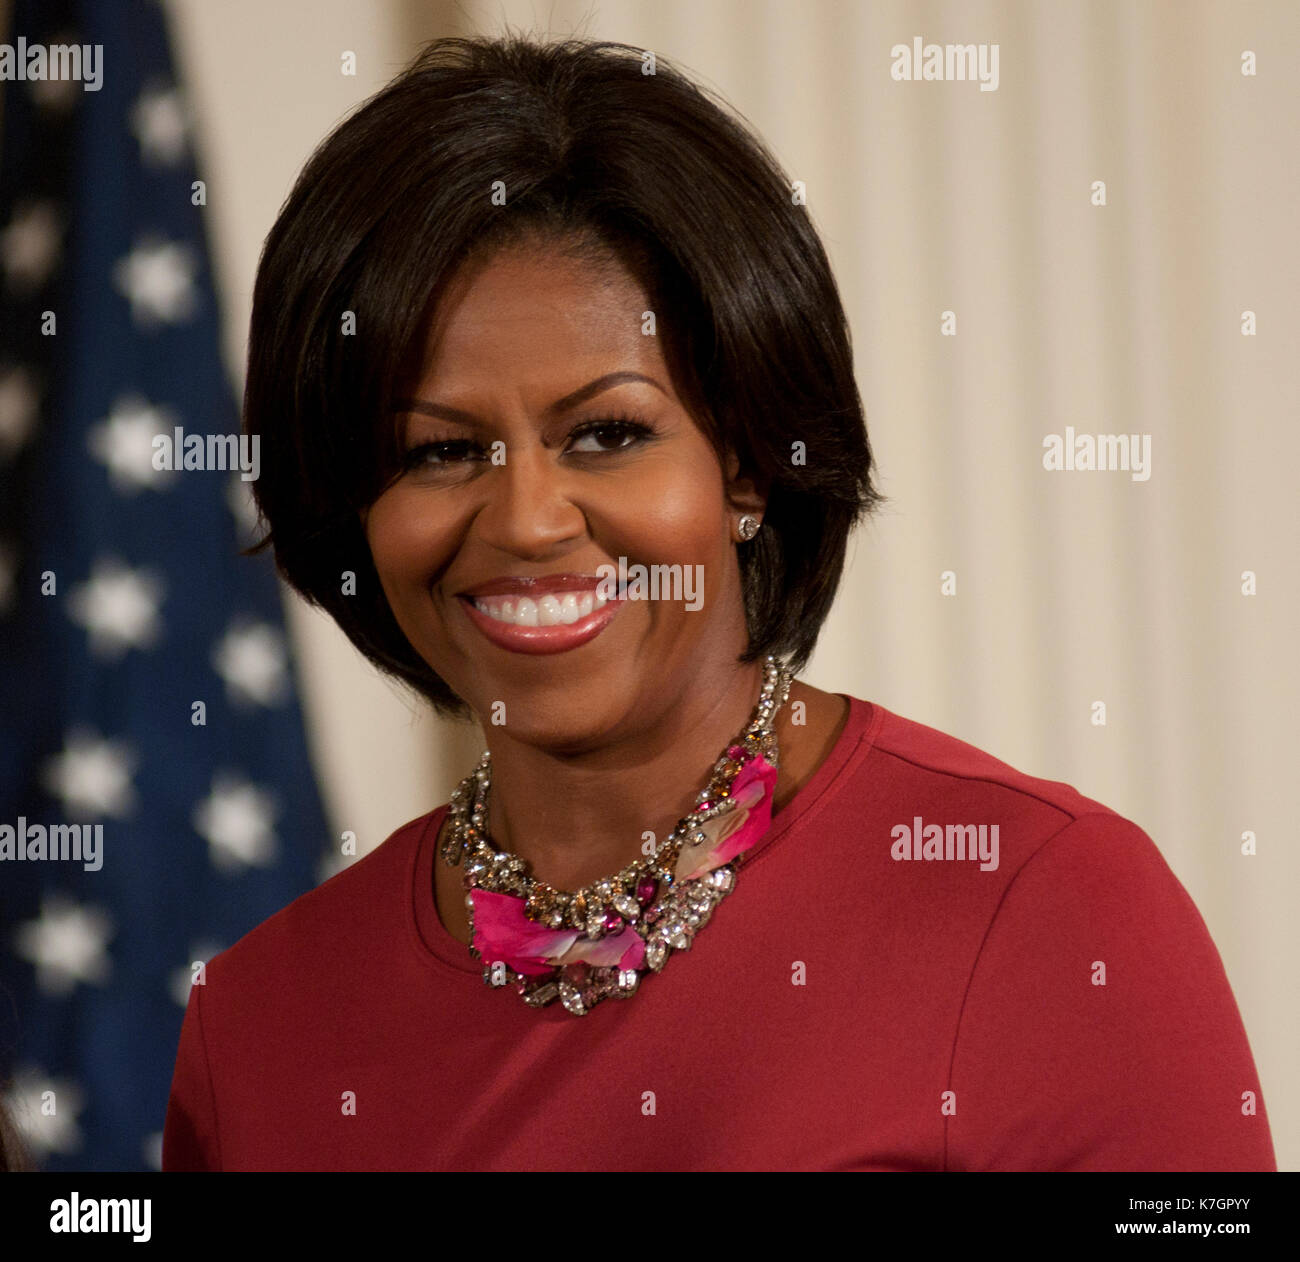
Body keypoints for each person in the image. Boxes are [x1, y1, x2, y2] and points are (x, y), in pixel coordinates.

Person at [162, 34, 1275, 1171]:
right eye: (442, 450)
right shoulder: (255, 1028)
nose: (528, 519)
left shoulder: (1044, 906)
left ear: (744, 465)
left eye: (608, 433)